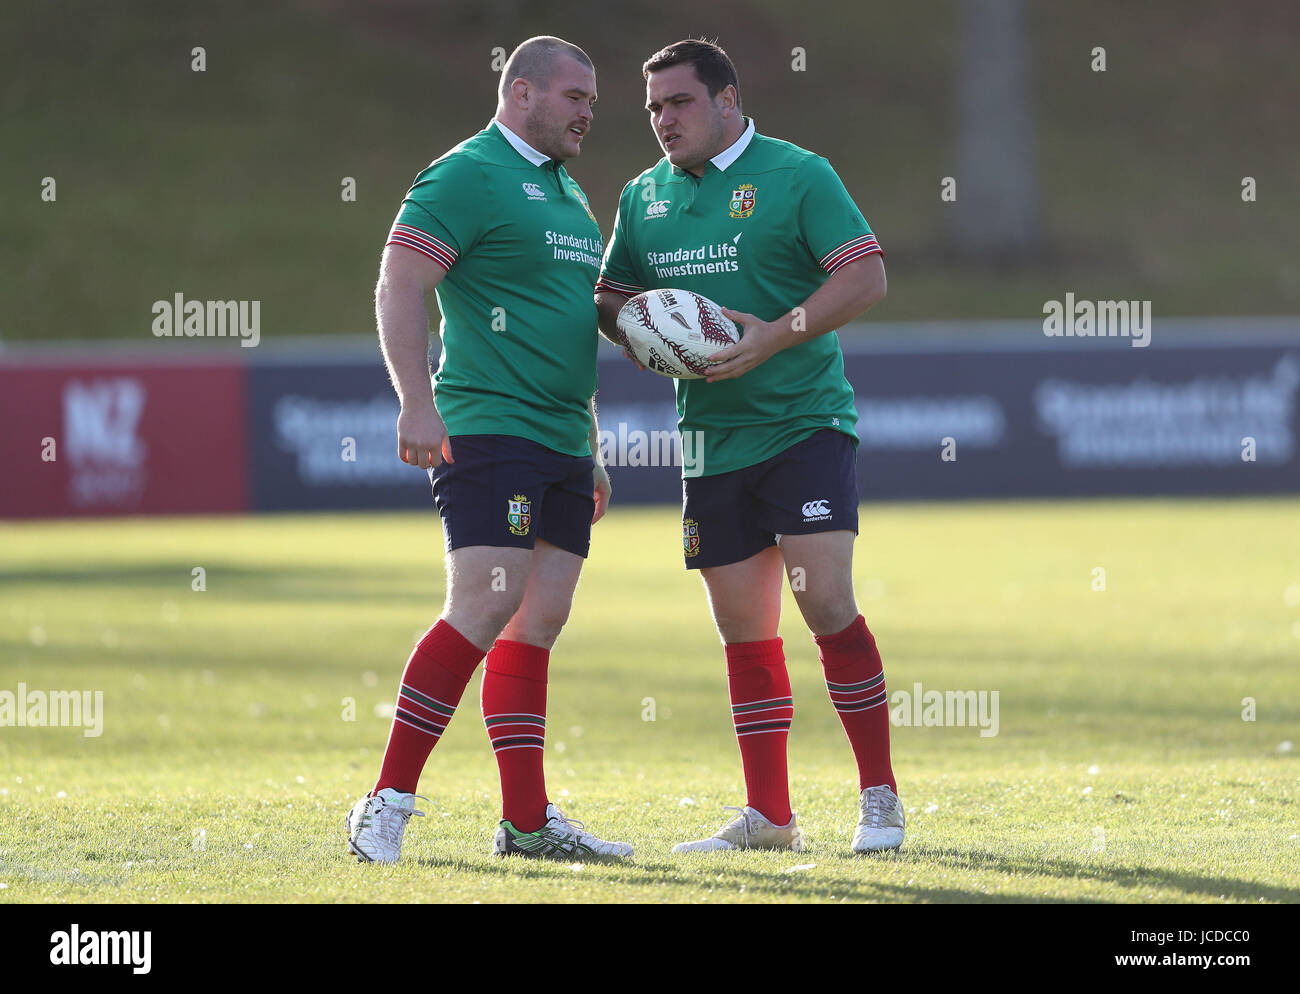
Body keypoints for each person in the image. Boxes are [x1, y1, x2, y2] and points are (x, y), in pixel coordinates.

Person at [594, 38, 901, 854]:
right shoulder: (643, 196)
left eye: (680, 102)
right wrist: (637, 330)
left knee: (825, 601)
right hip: (710, 440)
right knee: (744, 629)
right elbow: (613, 291)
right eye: (653, 107)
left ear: (728, 100)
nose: (664, 120)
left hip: (803, 424)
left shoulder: (799, 174)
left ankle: (880, 799)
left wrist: (777, 335)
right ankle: (770, 817)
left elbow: (865, 275)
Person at [347, 35, 632, 862]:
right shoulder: (465, 171)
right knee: (483, 602)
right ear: (522, 93)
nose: (589, 112)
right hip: (490, 426)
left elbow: (568, 326)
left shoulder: (570, 194)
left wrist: (592, 445)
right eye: (575, 95)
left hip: (562, 442)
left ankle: (528, 823)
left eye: (592, 100)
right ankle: (386, 801)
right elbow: (401, 279)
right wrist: (415, 400)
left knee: (538, 621)